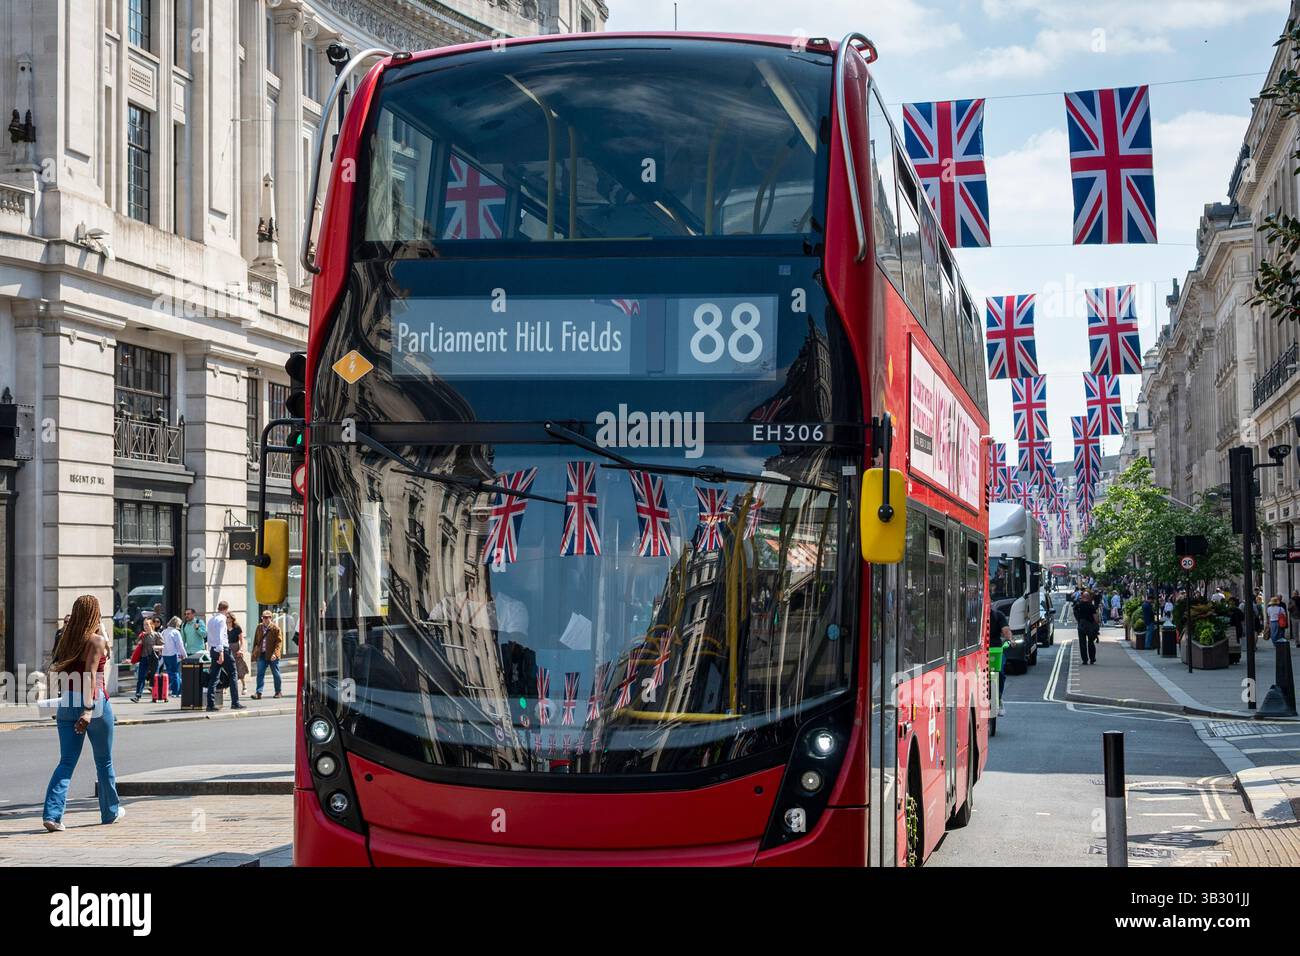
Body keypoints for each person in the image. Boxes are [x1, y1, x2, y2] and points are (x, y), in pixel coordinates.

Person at [42, 594, 124, 831]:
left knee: (66, 762)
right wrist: (87, 710)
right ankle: (110, 812)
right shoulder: (95, 641)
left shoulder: (66, 640)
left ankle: (53, 815)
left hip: (67, 702)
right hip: (94, 704)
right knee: (104, 761)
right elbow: (90, 674)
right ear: (95, 613)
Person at [205, 601, 242, 711]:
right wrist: (221, 653)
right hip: (222, 650)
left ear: (218, 608)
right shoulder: (222, 620)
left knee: (214, 676)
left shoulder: (211, 620)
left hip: (213, 649)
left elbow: (210, 637)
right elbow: (221, 637)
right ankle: (235, 702)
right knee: (233, 673)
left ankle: (210, 704)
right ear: (226, 609)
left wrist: (212, 650)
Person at [251, 612, 284, 699]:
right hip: (261, 654)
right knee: (260, 673)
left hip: (272, 655)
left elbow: (279, 643)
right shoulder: (259, 627)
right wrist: (254, 652)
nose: (265, 619)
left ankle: (278, 692)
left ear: (271, 618)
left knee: (276, 673)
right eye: (264, 617)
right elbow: (256, 640)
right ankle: (258, 693)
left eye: (267, 617)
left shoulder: (275, 628)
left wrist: (275, 654)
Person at [130, 616, 163, 703]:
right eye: (144, 625)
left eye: (147, 625)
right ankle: (137, 695)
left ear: (151, 625)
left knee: (154, 677)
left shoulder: (157, 635)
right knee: (141, 677)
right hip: (144, 658)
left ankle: (156, 695)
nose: (145, 627)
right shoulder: (142, 635)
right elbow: (136, 645)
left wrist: (156, 647)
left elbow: (163, 646)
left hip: (154, 658)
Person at [988, 605, 1011, 717]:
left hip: (996, 651)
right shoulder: (975, 615)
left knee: (1000, 672)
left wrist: (1010, 639)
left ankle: (999, 698)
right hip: (980, 650)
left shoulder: (998, 615)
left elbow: (1006, 630)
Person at [159, 616, 186, 699]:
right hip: (174, 655)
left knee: (171, 673)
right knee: (175, 673)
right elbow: (180, 645)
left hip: (165, 654)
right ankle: (176, 691)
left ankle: (177, 690)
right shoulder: (176, 632)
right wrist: (184, 655)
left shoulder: (164, 632)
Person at [1074, 589, 1100, 664]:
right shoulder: (1091, 606)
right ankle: (1092, 659)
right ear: (1088, 598)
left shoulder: (1078, 605)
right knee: (1091, 642)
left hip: (1081, 626)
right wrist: (1097, 624)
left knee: (1082, 643)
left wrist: (1078, 620)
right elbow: (1095, 618)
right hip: (1090, 626)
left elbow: (1075, 614)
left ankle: (1084, 660)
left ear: (1082, 597)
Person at [228, 611, 249, 696]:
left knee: (239, 669)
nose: (226, 619)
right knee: (227, 668)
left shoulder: (237, 627)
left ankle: (244, 686)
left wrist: (240, 650)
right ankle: (226, 687)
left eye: (228, 617)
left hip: (235, 648)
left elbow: (241, 640)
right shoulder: (224, 627)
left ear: (232, 618)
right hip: (227, 648)